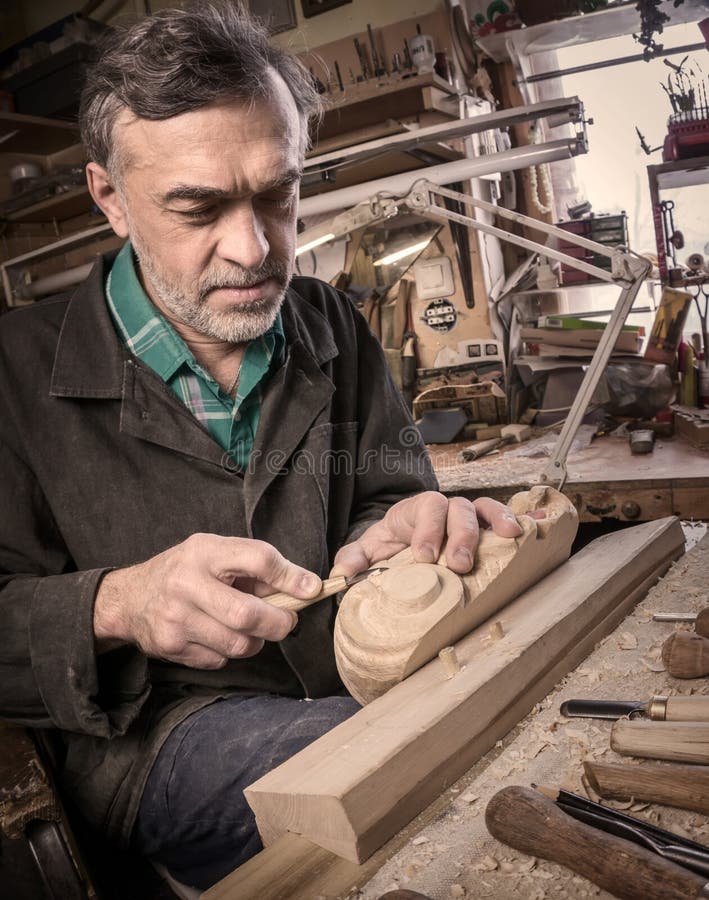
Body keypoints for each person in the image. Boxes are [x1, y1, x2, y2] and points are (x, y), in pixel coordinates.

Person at [0, 3, 523, 890]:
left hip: (344, 673)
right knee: (443, 772)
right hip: (153, 734)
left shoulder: (328, 321)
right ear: (109, 198)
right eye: (197, 207)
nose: (253, 248)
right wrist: (116, 604)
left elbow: (384, 489)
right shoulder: (11, 374)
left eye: (276, 194)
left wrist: (401, 525)